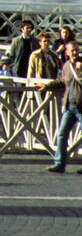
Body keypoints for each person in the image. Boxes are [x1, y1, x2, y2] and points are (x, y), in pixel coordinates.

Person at [47, 41, 82, 173]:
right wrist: (47, 86)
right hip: (69, 106)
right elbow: (62, 80)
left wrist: (80, 70)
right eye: (72, 50)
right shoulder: (66, 65)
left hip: (81, 105)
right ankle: (59, 163)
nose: (74, 52)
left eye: (76, 49)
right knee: (62, 133)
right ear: (66, 52)